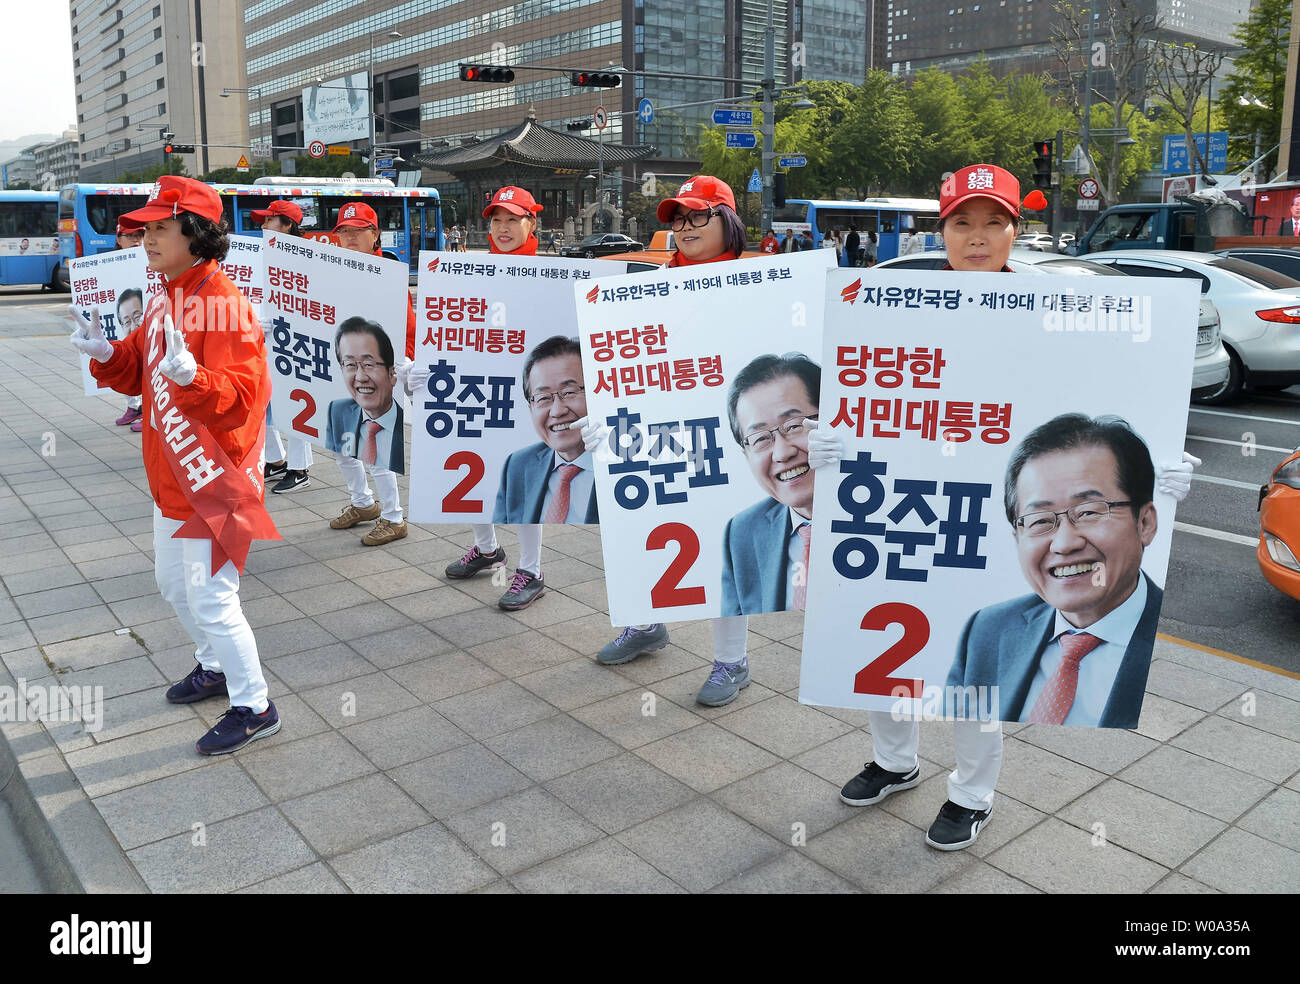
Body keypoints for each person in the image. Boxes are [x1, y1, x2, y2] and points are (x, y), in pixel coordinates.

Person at [834, 163, 1198, 850]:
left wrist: (1160, 460)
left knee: (979, 667)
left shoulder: (1051, 311)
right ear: (939, 230)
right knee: (885, 647)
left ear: (1016, 230)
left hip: (1002, 511)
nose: (977, 238)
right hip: (907, 501)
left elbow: (1105, 399)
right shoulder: (891, 307)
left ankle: (970, 794)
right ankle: (894, 760)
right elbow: (862, 394)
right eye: (961, 223)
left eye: (993, 222)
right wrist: (834, 438)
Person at [70, 175, 281, 755]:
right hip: (172, 473)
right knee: (172, 585)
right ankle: (213, 667)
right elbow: (137, 361)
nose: (147, 239)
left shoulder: (225, 304)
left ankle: (254, 704)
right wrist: (107, 352)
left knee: (212, 596)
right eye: (147, 229)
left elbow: (243, 396)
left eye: (161, 228)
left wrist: (195, 380)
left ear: (197, 233)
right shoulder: (168, 292)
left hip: (216, 478)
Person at [580, 176, 762, 706]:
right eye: (676, 218)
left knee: (726, 543)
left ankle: (733, 659)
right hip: (657, 431)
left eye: (696, 216)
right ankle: (645, 623)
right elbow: (620, 359)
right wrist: (602, 411)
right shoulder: (648, 283)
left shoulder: (759, 284)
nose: (683, 227)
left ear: (727, 220)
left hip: (729, 436)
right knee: (646, 524)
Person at [948, 413, 1164, 729]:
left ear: (1145, 523)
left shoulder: (1173, 644)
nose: (1063, 544)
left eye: (1089, 512)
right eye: (1039, 521)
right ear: (1017, 538)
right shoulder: (987, 630)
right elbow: (951, 734)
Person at [441, 186, 551, 611]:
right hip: (479, 390)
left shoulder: (547, 277)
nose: (503, 228)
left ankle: (532, 569)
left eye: (513, 219)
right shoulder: (472, 272)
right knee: (471, 466)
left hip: (524, 398)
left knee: (522, 482)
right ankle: (486, 549)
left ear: (532, 223)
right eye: (496, 220)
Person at [326, 200, 416, 546]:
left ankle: (394, 517)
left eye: (357, 231)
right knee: (340, 443)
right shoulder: (334, 272)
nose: (348, 238)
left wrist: (405, 362)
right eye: (343, 231)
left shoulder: (388, 274)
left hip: (377, 371)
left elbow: (407, 326)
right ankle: (363, 503)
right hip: (342, 367)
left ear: (374, 234)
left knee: (374, 443)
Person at [719, 353, 831, 615]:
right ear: (745, 455)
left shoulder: (898, 518)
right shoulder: (742, 532)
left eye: (794, 426)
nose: (782, 453)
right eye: (759, 439)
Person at [249, 200, 314, 493]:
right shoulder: (262, 255)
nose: (262, 226)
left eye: (269, 220)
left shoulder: (308, 257)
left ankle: (299, 469)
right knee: (264, 403)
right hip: (266, 343)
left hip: (298, 345)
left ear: (287, 225)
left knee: (298, 406)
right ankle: (275, 461)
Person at [326, 316, 405, 479]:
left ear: (392, 372)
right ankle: (363, 503)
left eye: (369, 365)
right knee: (343, 456)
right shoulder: (337, 410)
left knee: (380, 466)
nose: (360, 377)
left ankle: (391, 506)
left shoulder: (404, 421)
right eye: (350, 365)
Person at [112, 222, 147, 431]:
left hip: (148, 326)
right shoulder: (109, 265)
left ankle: (149, 411)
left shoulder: (153, 259)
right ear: (119, 240)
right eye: (130, 236)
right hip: (126, 329)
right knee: (126, 365)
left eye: (139, 235)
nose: (136, 240)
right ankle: (134, 407)